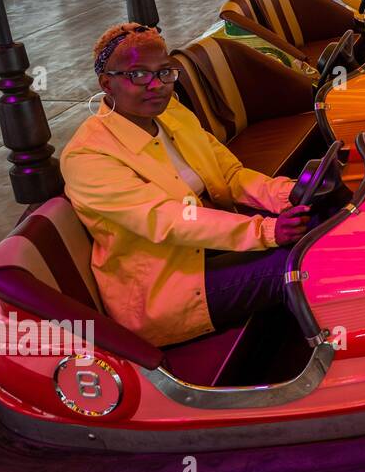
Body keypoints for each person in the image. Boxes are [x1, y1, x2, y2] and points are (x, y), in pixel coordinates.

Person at [61, 23, 314, 347]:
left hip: (215, 249)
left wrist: (287, 194)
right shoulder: (88, 155)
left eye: (165, 72)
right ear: (107, 83)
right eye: (138, 74)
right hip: (167, 287)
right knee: (300, 263)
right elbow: (168, 219)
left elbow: (230, 175)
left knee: (324, 221)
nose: (157, 85)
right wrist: (264, 231)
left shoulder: (173, 115)